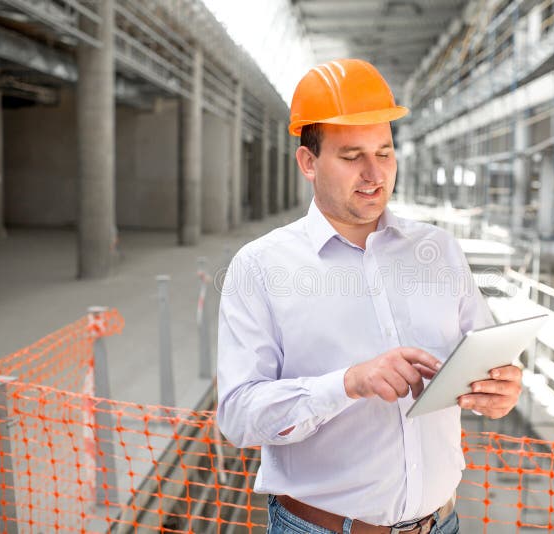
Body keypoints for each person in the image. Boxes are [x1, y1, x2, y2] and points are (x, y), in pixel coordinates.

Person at [217, 58, 522, 534]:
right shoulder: (260, 268)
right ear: (308, 162)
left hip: (441, 523)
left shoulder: (437, 250)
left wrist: (499, 388)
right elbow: (237, 416)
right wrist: (347, 384)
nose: (374, 173)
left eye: (384, 152)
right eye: (351, 155)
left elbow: (483, 357)